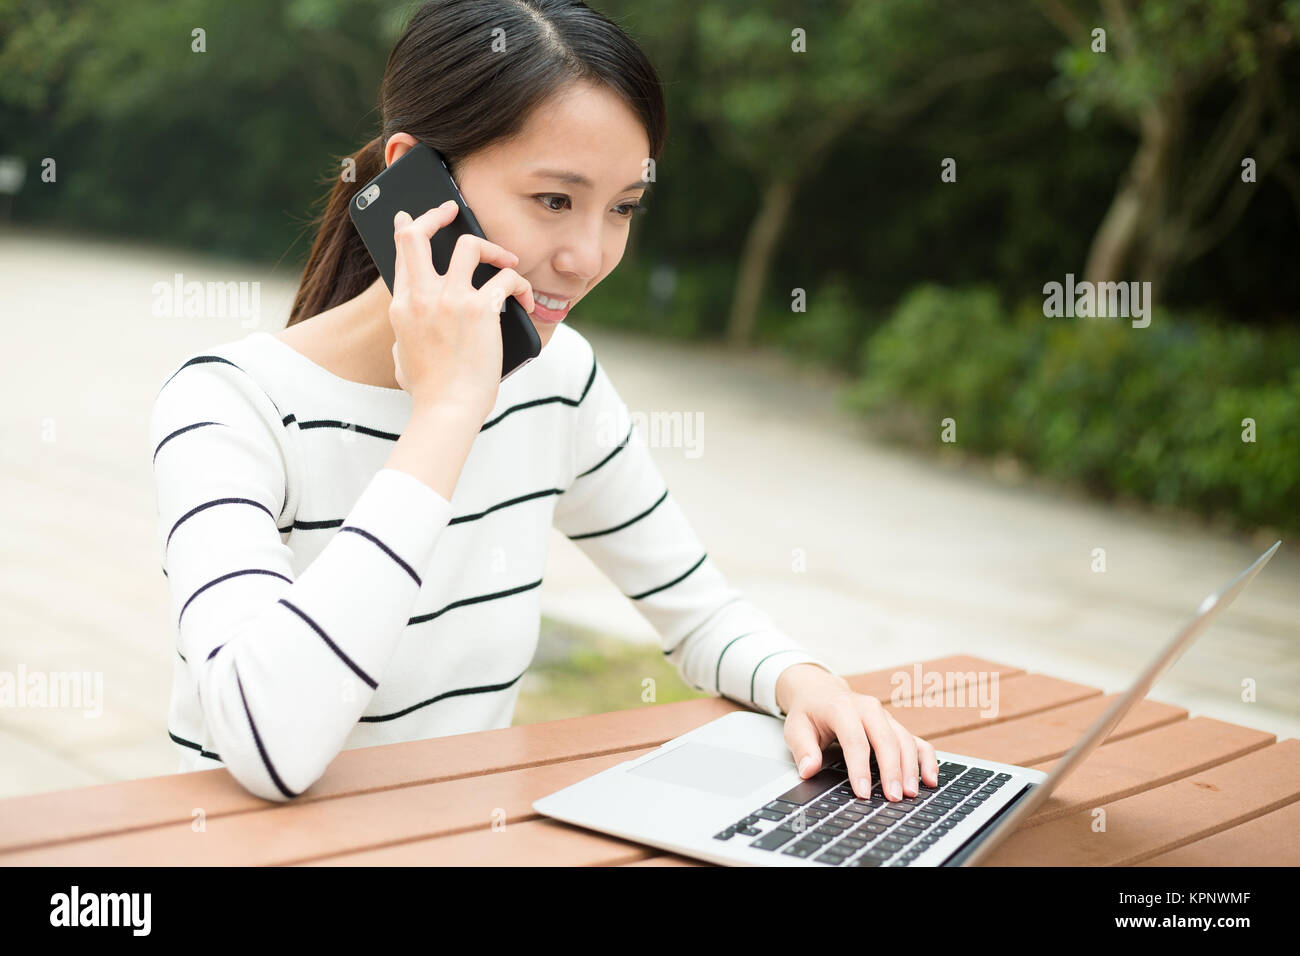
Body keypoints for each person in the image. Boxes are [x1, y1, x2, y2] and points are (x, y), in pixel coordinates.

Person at [149, 0, 938, 804]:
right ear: (413, 179)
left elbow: (698, 614)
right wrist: (447, 412)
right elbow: (267, 744)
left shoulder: (558, 383)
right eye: (555, 201)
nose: (588, 256)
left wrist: (809, 685)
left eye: (622, 207)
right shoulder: (228, 407)